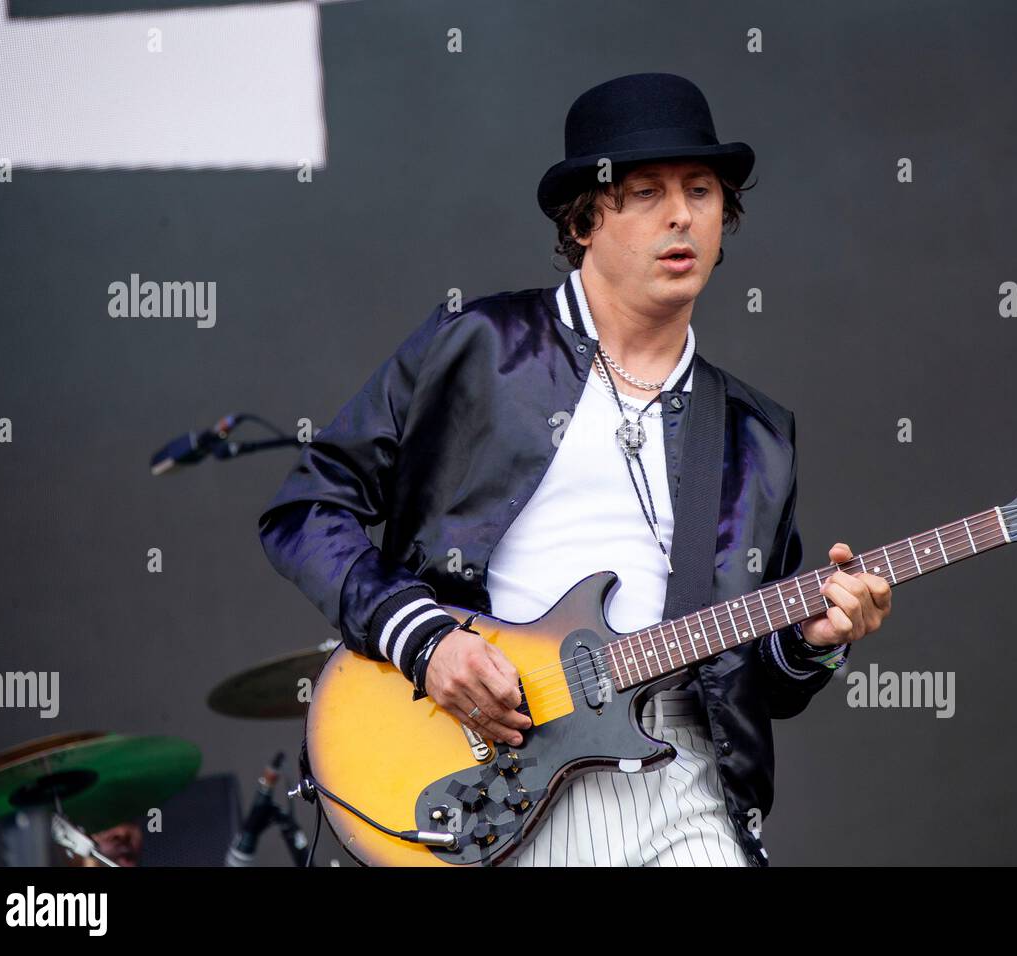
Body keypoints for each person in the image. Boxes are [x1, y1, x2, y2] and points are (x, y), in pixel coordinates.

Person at [259, 72, 892, 866]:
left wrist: (816, 640)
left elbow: (759, 681)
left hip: (683, 774)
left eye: (702, 190)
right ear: (585, 219)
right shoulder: (479, 348)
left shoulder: (753, 433)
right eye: (645, 192)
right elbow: (306, 509)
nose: (680, 214)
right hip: (497, 758)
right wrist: (425, 640)